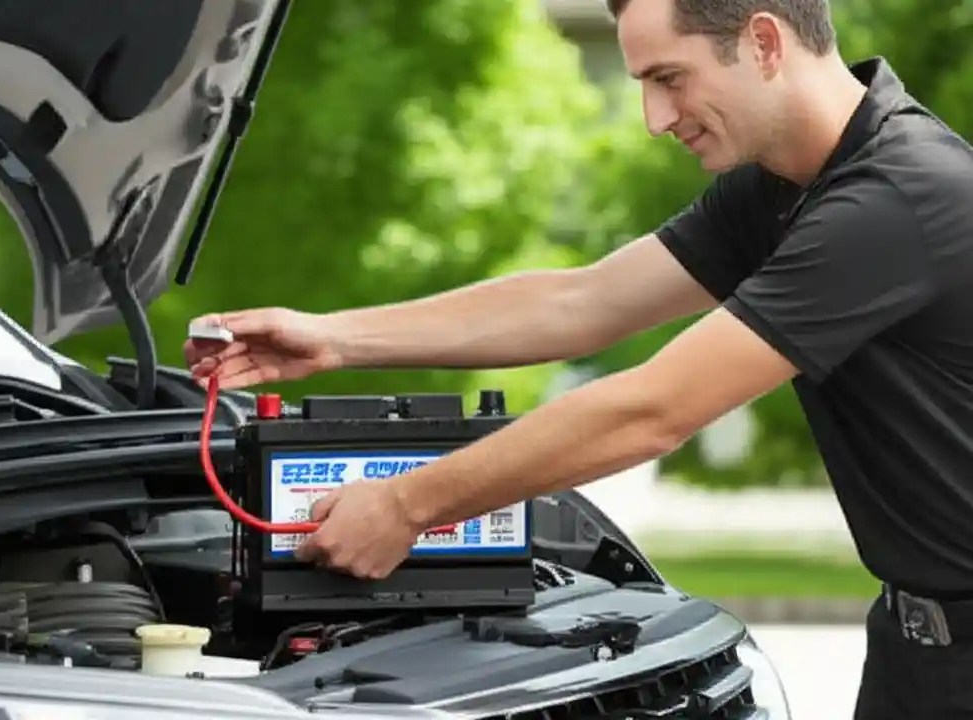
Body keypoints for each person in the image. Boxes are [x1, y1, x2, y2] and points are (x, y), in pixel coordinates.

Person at [184, 1, 973, 716]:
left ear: (763, 42)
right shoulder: (780, 190)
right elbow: (582, 302)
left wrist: (408, 505)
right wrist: (334, 339)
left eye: (670, 78)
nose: (654, 117)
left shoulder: (896, 198)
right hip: (917, 644)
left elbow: (652, 412)